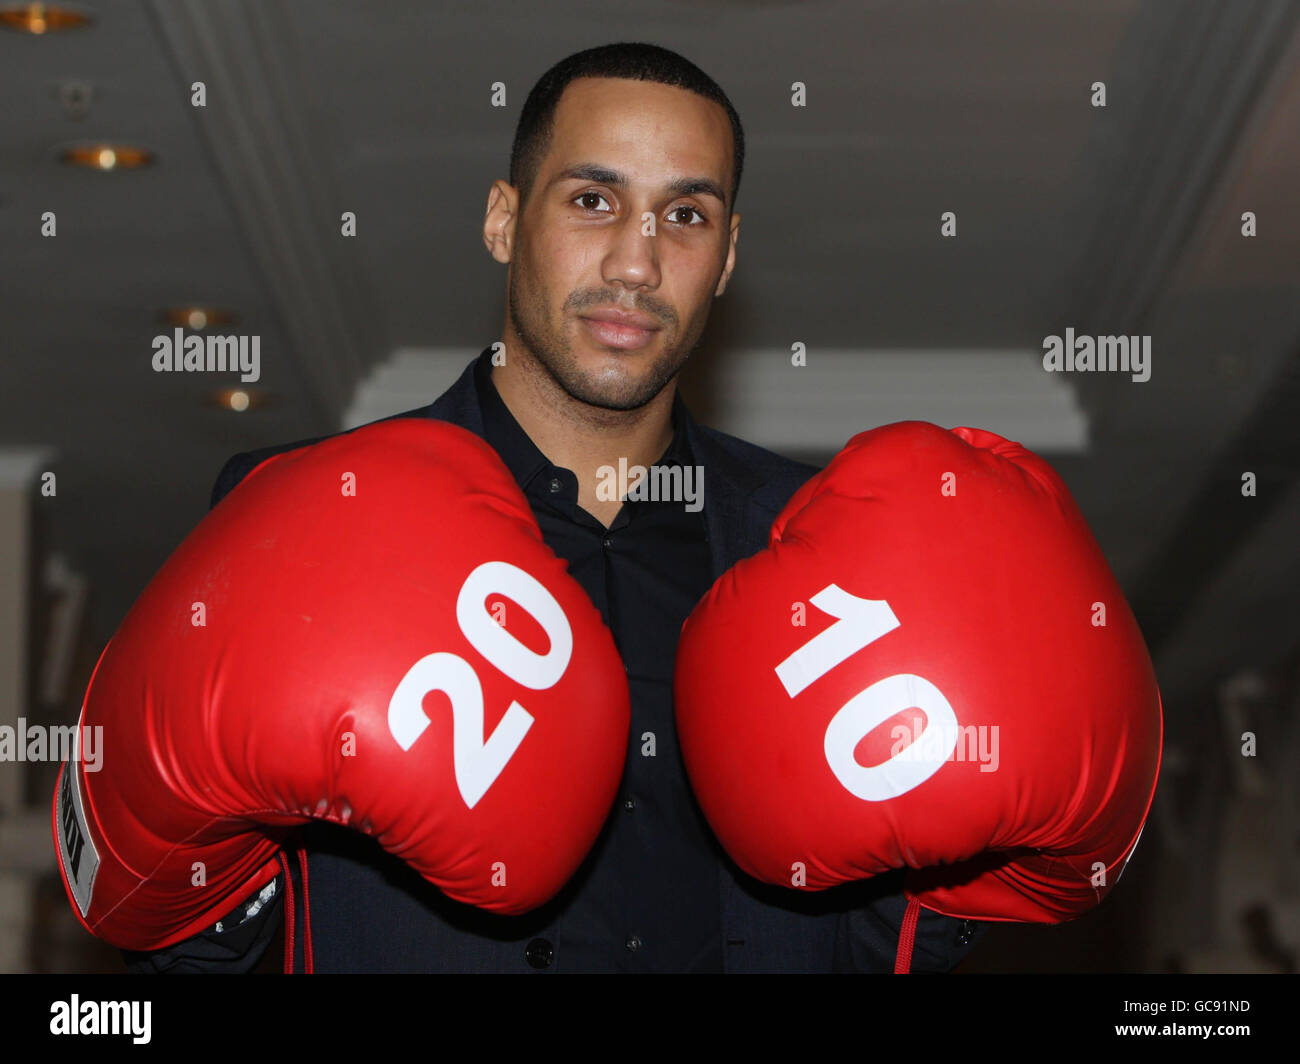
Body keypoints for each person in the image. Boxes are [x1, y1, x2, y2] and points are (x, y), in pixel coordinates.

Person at [124, 41, 986, 973]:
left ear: (728, 256)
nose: (636, 263)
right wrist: (205, 889)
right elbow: (183, 943)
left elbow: (875, 939)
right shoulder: (299, 508)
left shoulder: (825, 544)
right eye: (593, 200)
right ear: (503, 220)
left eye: (685, 215)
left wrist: (967, 879)